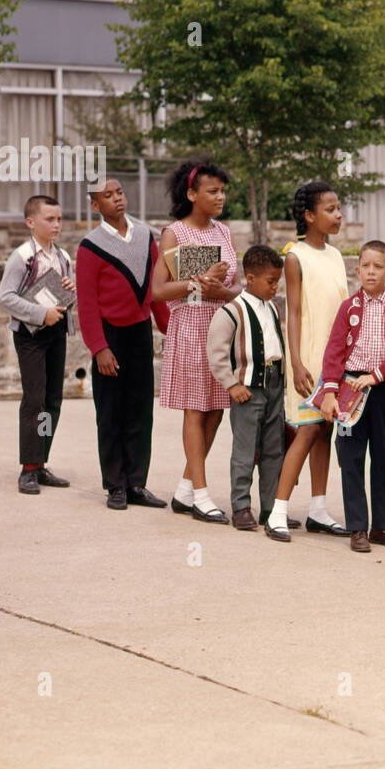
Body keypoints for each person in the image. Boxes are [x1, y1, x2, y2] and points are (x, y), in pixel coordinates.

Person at [150, 161, 242, 524]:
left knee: (218, 407)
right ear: (191, 194)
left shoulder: (225, 232)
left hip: (222, 325)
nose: (220, 196)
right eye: (212, 191)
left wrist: (223, 289)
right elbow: (158, 290)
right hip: (190, 325)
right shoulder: (174, 233)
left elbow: (238, 286)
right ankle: (203, 495)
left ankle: (186, 489)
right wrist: (198, 282)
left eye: (222, 190)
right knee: (195, 407)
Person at [75, 177, 170, 510]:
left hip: (140, 333)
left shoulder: (146, 236)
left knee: (141, 411)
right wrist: (99, 348)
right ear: (95, 205)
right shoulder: (90, 246)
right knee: (111, 413)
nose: (117, 199)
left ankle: (137, 484)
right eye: (107, 195)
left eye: (119, 192)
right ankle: (115, 484)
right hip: (109, 337)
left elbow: (156, 290)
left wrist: (168, 328)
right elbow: (86, 304)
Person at [317, 241, 385, 553]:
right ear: (357, 270)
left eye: (378, 267)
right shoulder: (348, 308)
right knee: (350, 457)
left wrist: (378, 375)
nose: (371, 272)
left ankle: (382, 527)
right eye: (366, 266)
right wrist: (330, 391)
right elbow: (333, 350)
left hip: (384, 390)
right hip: (349, 391)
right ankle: (357, 527)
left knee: (383, 458)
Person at [274, 181, 351, 539]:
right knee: (305, 432)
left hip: (334, 362)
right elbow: (293, 313)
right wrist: (297, 363)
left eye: (339, 209)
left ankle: (318, 509)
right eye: (331, 209)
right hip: (306, 360)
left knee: (325, 432)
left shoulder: (335, 256)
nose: (338, 215)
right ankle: (278, 511)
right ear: (309, 216)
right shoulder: (295, 256)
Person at [207, 245, 288, 537]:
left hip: (275, 385)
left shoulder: (272, 307)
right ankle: (241, 506)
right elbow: (216, 352)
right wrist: (232, 383)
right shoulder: (232, 311)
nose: (275, 286)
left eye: (277, 281)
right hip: (248, 389)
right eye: (270, 281)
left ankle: (270, 509)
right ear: (250, 278)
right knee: (244, 450)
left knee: (274, 450)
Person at [0, 194, 75, 496]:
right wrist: (42, 313)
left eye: (59, 219)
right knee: (35, 399)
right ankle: (28, 469)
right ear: (31, 222)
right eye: (49, 219)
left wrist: (70, 291)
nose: (56, 224)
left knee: (53, 400)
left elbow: (65, 295)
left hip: (56, 333)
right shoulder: (22, 257)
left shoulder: (63, 257)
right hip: (30, 336)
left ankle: (41, 461)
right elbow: (5, 297)